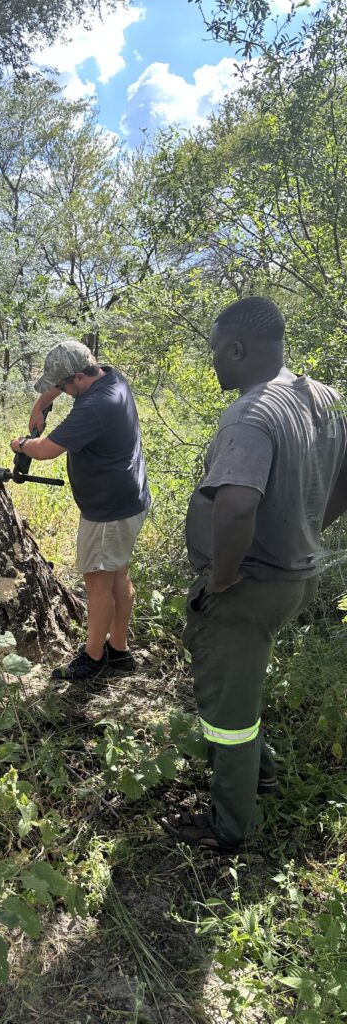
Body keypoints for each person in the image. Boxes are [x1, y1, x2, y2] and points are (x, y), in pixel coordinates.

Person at [161, 296, 347, 853]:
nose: (213, 362)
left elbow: (237, 505)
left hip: (247, 585)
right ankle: (260, 771)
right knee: (242, 685)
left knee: (228, 712)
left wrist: (220, 577)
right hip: (296, 576)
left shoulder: (251, 413)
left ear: (237, 349)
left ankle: (227, 826)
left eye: (216, 352)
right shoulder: (323, 398)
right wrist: (308, 525)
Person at [11, 340, 150, 683]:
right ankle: (119, 650)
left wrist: (21, 445)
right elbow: (62, 390)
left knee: (98, 583)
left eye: (61, 386)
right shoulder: (111, 379)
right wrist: (42, 402)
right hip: (129, 499)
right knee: (117, 575)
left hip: (108, 511)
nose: (60, 392)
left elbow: (45, 451)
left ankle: (93, 658)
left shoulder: (95, 406)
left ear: (77, 377)